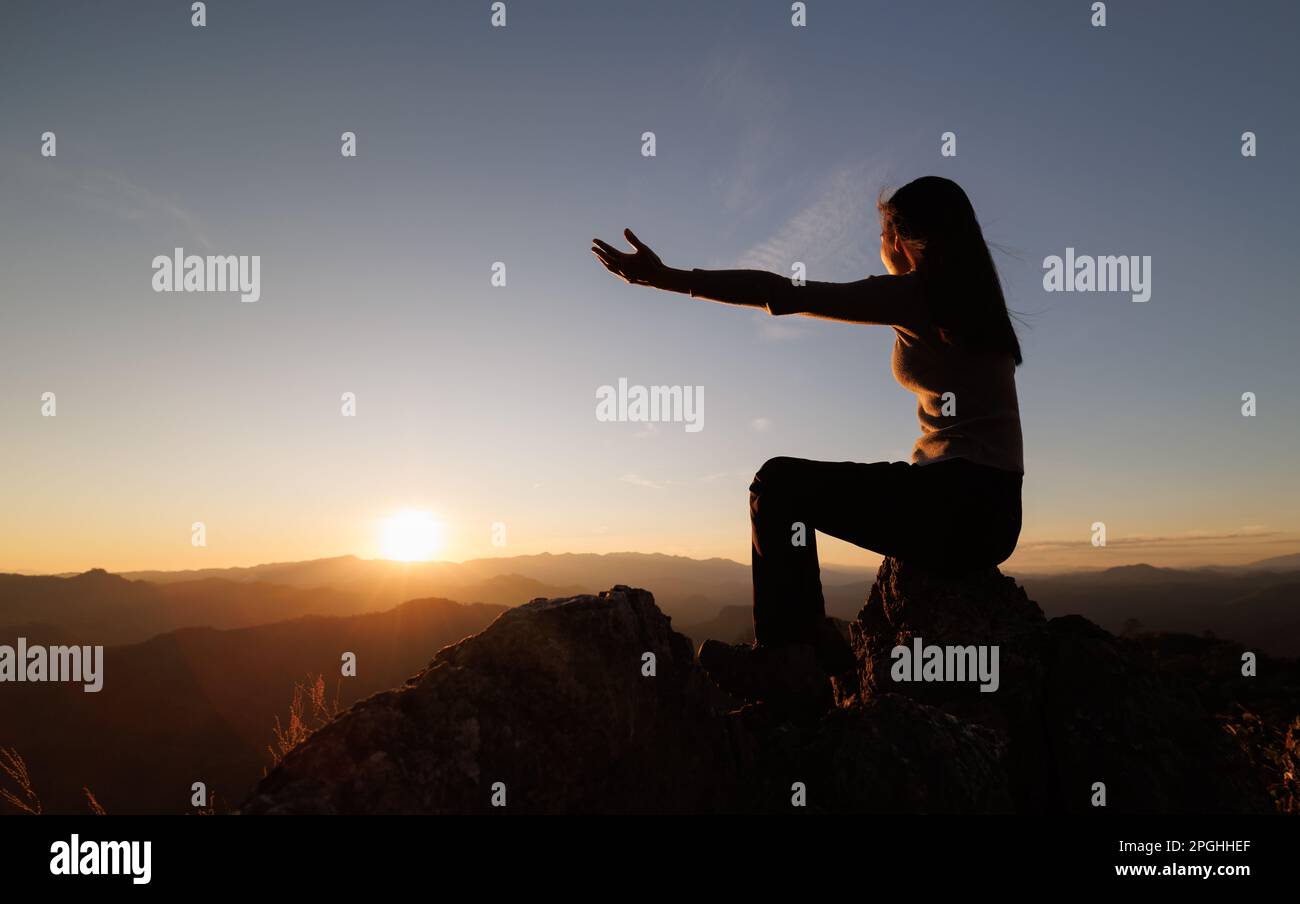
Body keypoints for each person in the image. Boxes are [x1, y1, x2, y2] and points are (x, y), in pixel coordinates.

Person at [591, 176, 1024, 704]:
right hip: (992, 513)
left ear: (901, 238)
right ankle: (815, 641)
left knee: (776, 485)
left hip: (955, 502)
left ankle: (787, 658)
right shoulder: (978, 304)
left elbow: (782, 293)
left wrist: (668, 279)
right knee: (794, 489)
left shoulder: (919, 293)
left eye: (883, 232)